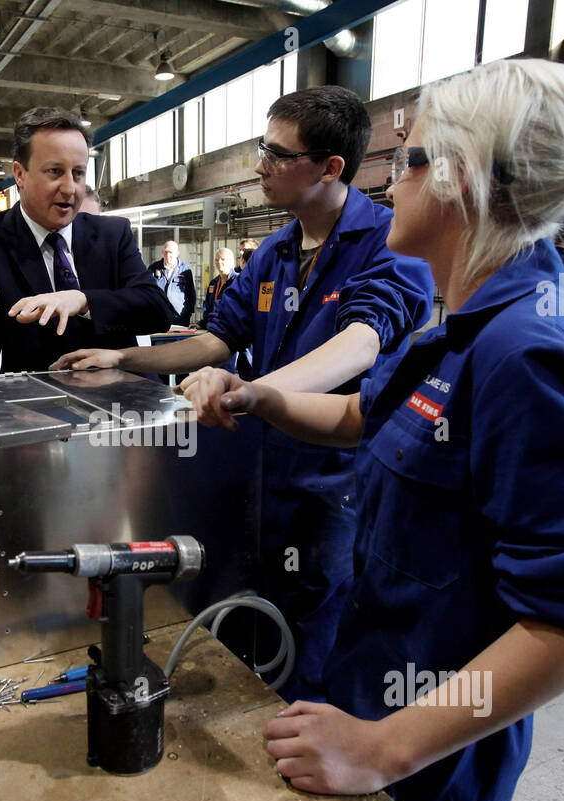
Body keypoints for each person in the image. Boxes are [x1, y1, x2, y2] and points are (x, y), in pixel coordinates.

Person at [200, 59, 564, 801]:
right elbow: (356, 418)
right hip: (373, 686)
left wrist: (386, 749)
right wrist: (260, 397)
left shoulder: (528, 355)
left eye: (404, 159)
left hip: (432, 749)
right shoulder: (461, 330)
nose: (386, 189)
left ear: (458, 180)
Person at [53, 86, 434, 702]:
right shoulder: (276, 251)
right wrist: (124, 356)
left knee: (317, 622)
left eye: (277, 154)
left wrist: (249, 392)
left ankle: (303, 746)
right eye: (262, 147)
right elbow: (217, 338)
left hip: (332, 482)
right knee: (256, 613)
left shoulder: (387, 243)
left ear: (330, 167)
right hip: (260, 470)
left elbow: (360, 346)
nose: (260, 165)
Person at [0, 108, 171, 374]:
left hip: (121, 402)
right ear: (20, 174)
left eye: (78, 173)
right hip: (35, 407)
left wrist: (85, 301)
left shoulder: (112, 235)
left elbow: (156, 311)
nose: (70, 188)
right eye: (55, 171)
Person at [148, 241, 196, 326]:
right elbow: (148, 290)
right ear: (162, 253)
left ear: (177, 253)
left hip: (179, 317)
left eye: (171, 252)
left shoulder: (185, 270)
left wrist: (188, 313)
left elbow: (191, 293)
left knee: (179, 340)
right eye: (166, 252)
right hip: (158, 316)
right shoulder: (153, 268)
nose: (168, 255)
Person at [199, 247, 236, 329]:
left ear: (230, 261)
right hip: (213, 327)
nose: (219, 262)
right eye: (216, 259)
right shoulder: (213, 283)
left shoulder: (237, 281)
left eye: (223, 259)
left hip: (229, 329)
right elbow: (208, 308)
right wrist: (202, 324)